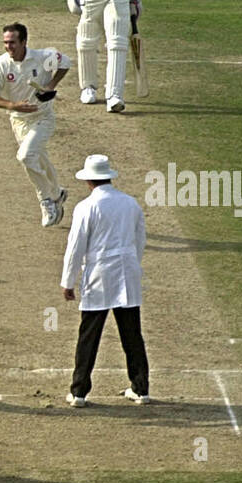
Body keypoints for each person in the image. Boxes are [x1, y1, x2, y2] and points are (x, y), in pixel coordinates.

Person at [59, 154, 149, 407]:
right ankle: (141, 389)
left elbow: (75, 247)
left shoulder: (86, 207)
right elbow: (139, 239)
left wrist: (68, 281)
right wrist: (133, 265)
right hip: (127, 272)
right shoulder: (130, 203)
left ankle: (79, 392)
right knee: (132, 333)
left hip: (100, 274)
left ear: (89, 180)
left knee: (89, 334)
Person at [0, 22, 72, 228]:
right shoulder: (0, 66)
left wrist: (51, 85)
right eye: (5, 42)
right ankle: (58, 193)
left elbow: (65, 63)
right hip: (19, 121)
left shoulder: (42, 57)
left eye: (12, 42)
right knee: (38, 158)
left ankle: (46, 200)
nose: (8, 47)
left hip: (43, 118)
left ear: (24, 41)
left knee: (25, 155)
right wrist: (13, 105)